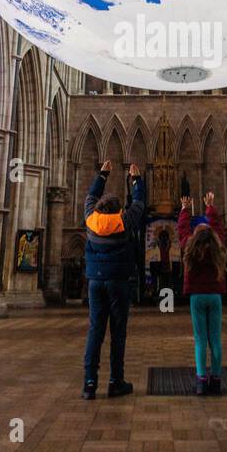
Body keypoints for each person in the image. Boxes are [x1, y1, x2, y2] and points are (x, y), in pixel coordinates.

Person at [82, 159, 145, 400]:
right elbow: (139, 204)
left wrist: (102, 174)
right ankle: (115, 381)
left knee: (95, 330)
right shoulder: (124, 222)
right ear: (119, 210)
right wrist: (136, 180)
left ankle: (89, 384)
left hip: (95, 283)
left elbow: (89, 197)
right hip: (118, 282)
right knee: (118, 332)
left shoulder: (91, 220)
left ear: (99, 209)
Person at [178, 191, 227, 395]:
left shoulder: (190, 246)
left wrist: (185, 210)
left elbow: (181, 231)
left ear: (195, 235)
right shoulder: (218, 247)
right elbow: (219, 230)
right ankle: (215, 380)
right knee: (215, 339)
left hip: (197, 297)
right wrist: (210, 208)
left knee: (200, 340)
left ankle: (201, 380)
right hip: (214, 296)